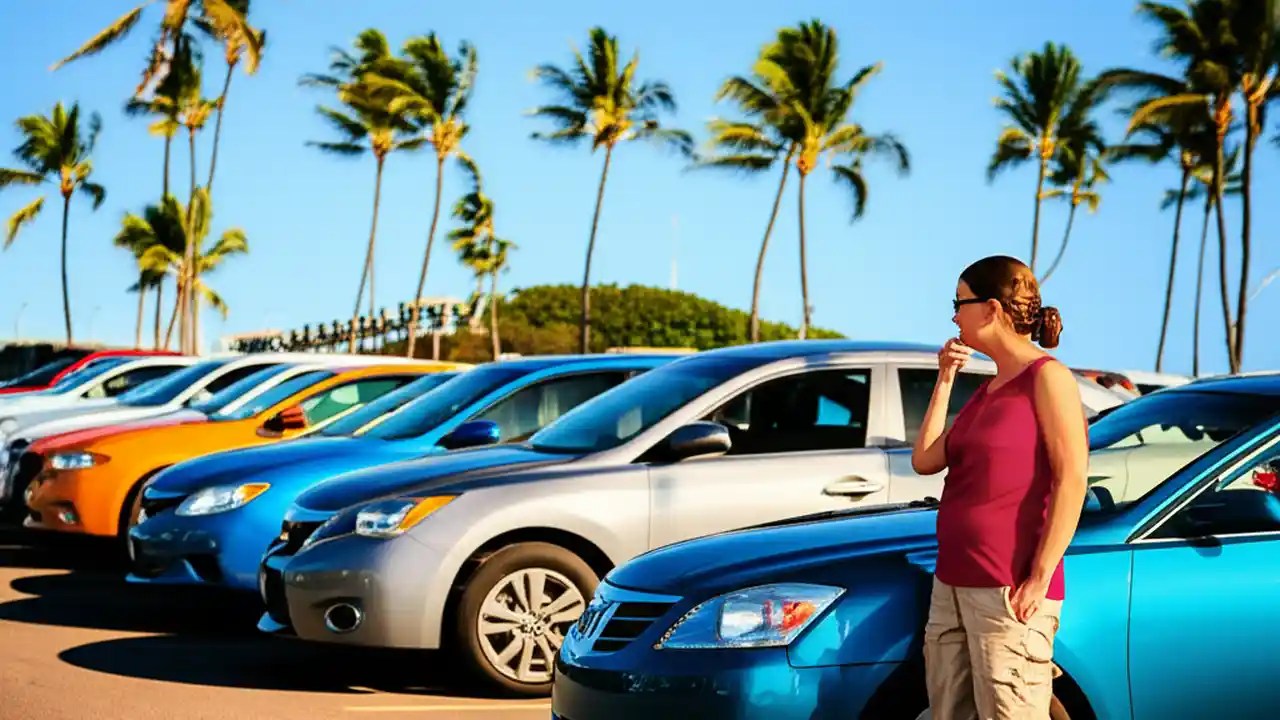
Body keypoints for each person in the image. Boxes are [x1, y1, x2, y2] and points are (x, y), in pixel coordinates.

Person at [910, 255, 1089, 719]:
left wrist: (1039, 578)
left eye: (959, 302)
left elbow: (1072, 480)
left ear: (990, 309)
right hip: (952, 580)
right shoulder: (991, 388)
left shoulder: (1047, 378)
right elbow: (925, 459)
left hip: (1008, 589)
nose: (953, 316)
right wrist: (946, 378)